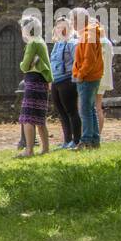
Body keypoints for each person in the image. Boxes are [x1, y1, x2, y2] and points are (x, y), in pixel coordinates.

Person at [16, 15, 52, 157]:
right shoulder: (41, 41)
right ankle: (45, 149)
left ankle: (29, 150)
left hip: (33, 80)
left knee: (28, 117)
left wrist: (24, 64)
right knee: (40, 117)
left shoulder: (32, 43)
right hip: (43, 80)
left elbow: (25, 66)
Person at [70, 7, 104, 150]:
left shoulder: (88, 34)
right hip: (91, 76)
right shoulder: (88, 33)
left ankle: (86, 141)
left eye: (72, 20)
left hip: (87, 78)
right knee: (90, 110)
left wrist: (80, 75)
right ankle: (94, 140)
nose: (71, 23)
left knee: (85, 111)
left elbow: (88, 60)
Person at [49, 15, 80, 149]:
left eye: (63, 26)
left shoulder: (73, 43)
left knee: (71, 111)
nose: (60, 29)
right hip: (56, 81)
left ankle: (76, 140)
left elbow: (76, 62)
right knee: (61, 112)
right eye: (58, 26)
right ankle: (67, 140)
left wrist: (75, 80)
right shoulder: (57, 44)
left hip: (68, 81)